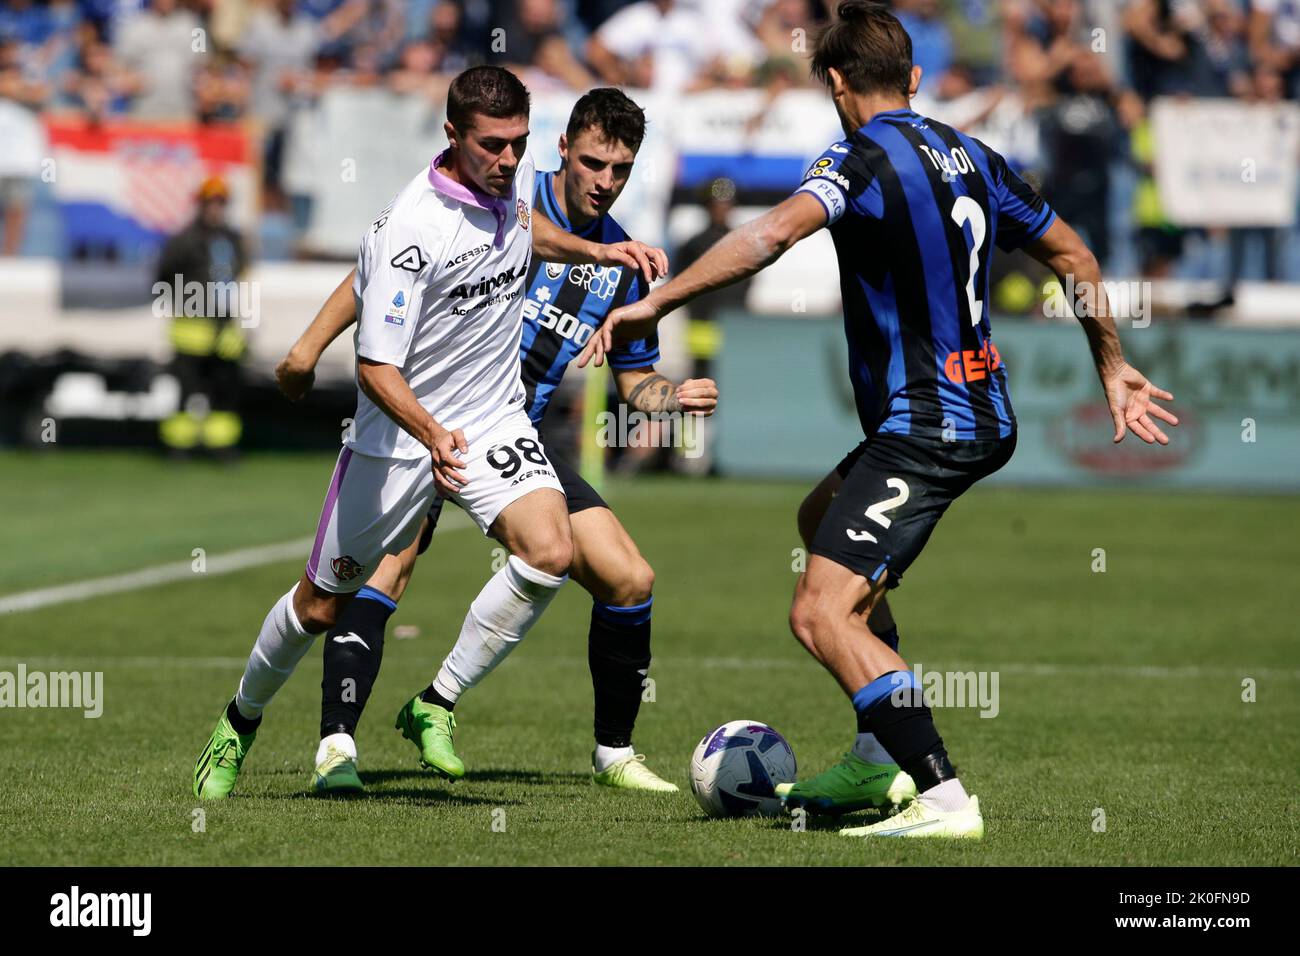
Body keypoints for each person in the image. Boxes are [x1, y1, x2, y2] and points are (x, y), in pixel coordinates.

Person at [580, 2, 1179, 838]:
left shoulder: (857, 159)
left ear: (833, 82)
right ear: (916, 77)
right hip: (977, 410)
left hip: (931, 423)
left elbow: (767, 238)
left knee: (818, 614)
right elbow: (1074, 253)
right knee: (818, 517)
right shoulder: (971, 152)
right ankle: (875, 755)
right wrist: (1111, 363)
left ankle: (942, 798)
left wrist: (658, 302)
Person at [193, 67, 667, 800]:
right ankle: (240, 719)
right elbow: (377, 365)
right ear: (452, 136)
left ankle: (435, 703)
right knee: (320, 604)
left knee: (550, 550)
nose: (510, 163)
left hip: (491, 418)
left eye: (519, 145)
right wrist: (387, 404)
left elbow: (526, 227)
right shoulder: (413, 229)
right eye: (493, 147)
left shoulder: (510, 184)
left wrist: (600, 253)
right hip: (399, 434)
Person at [157, 176, 249, 459]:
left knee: (224, 391)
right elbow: (163, 276)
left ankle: (221, 446)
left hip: (225, 330)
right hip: (191, 329)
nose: (215, 209)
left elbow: (241, 276)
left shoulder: (233, 239)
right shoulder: (184, 240)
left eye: (220, 203)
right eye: (210, 203)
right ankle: (179, 447)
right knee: (187, 391)